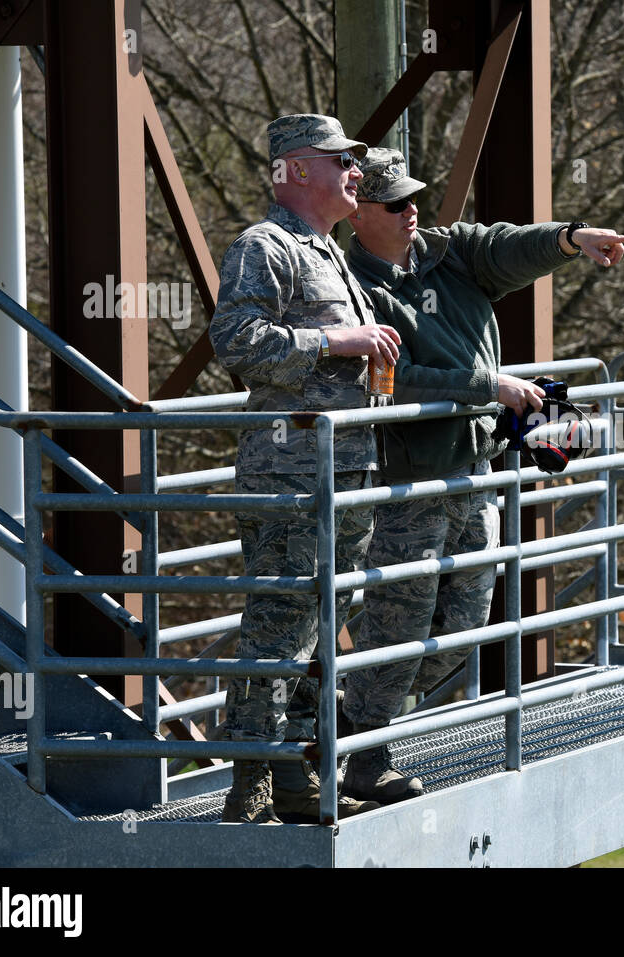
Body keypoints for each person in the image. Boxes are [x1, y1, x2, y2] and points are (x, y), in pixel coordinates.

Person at [339, 147, 624, 804]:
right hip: (406, 485)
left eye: (415, 196)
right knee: (399, 621)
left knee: (468, 625)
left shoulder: (449, 253)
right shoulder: (350, 291)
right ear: (358, 214)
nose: (412, 209)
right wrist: (488, 385)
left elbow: (506, 248)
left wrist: (570, 238)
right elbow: (386, 383)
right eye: (395, 202)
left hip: (474, 473)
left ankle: (347, 713)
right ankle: (365, 755)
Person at [208, 114, 402, 824]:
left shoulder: (329, 252)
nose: (356, 170)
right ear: (296, 169)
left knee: (322, 625)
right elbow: (237, 341)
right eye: (340, 158)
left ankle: (292, 771)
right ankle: (251, 781)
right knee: (278, 626)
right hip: (289, 477)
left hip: (342, 473)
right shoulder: (265, 247)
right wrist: (336, 339)